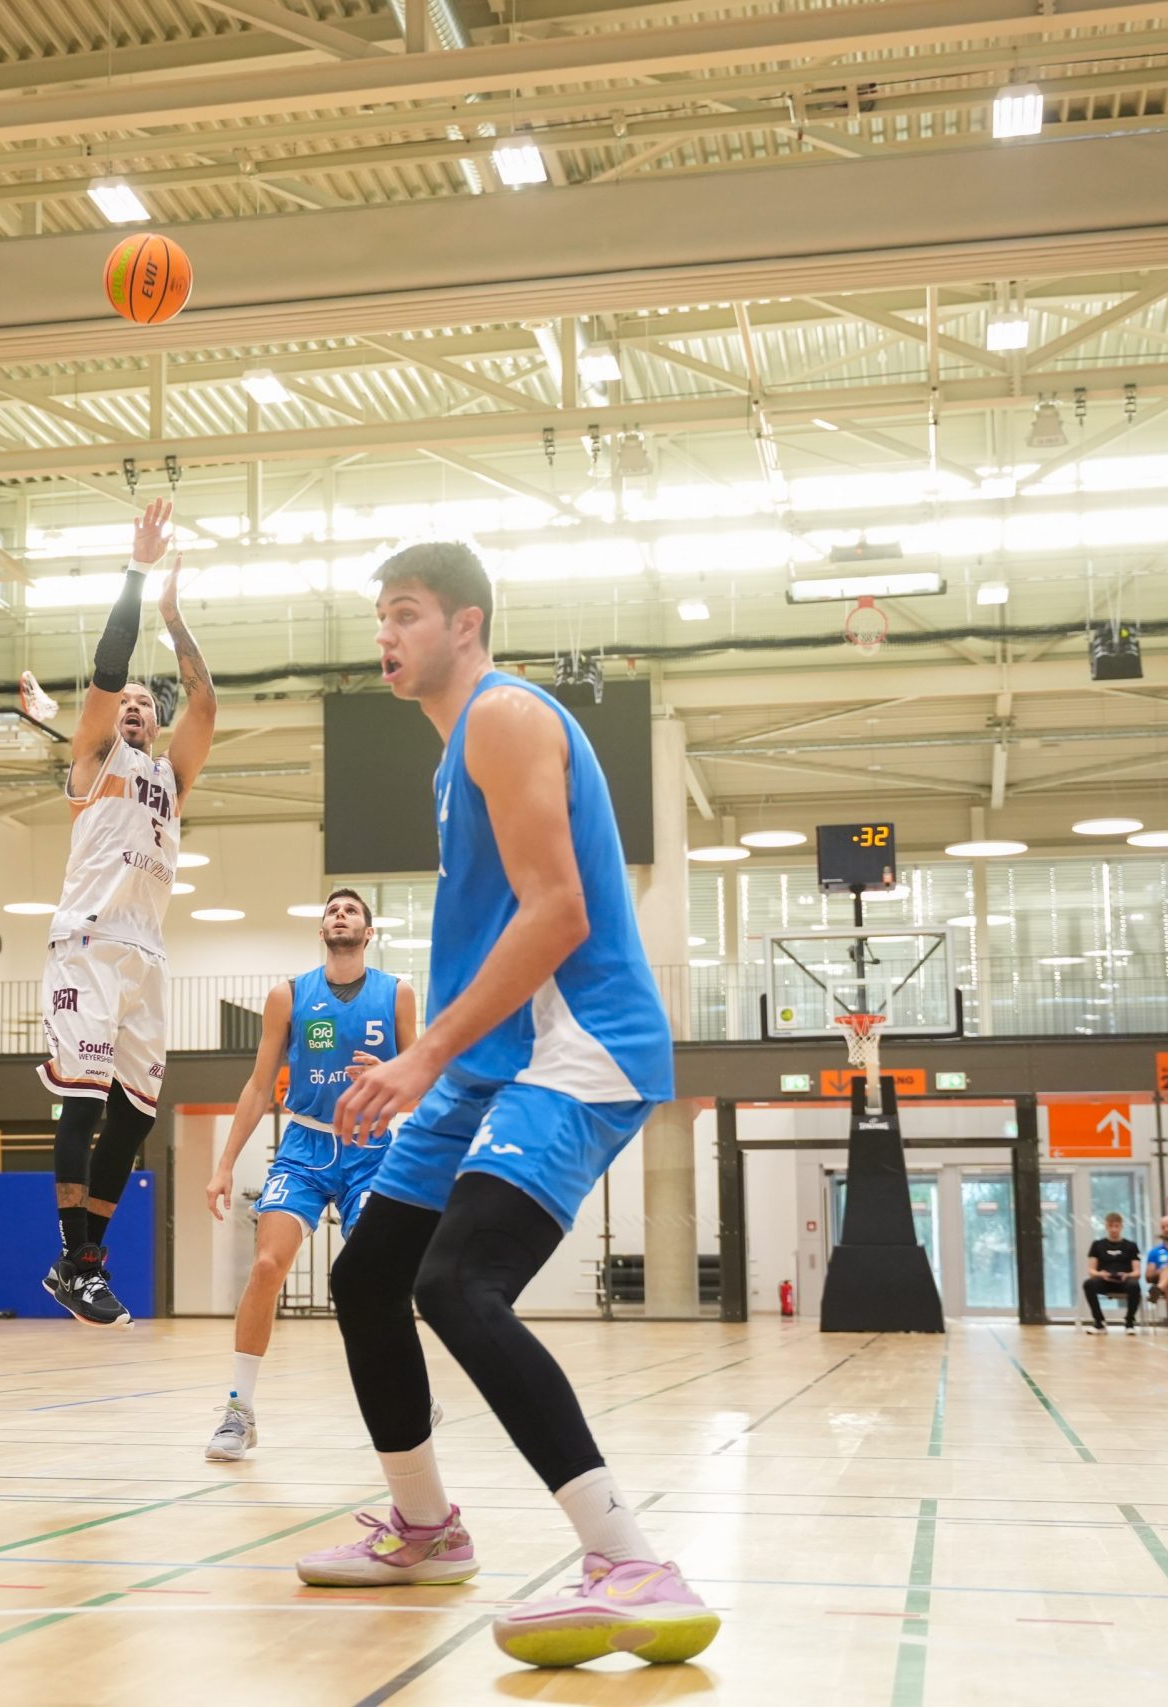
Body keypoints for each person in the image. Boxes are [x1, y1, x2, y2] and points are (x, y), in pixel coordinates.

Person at [292, 542, 716, 1672]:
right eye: (378, 616)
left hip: (575, 1046)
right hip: (493, 1055)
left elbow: (561, 913)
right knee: (367, 1277)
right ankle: (425, 1530)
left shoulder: (505, 716)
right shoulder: (452, 757)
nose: (385, 634)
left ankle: (629, 1563)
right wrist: (444, 1055)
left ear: (464, 625)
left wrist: (422, 1052)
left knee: (457, 1284)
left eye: (406, 613)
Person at [35, 497, 216, 1327]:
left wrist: (177, 620)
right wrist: (140, 576)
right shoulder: (92, 760)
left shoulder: (170, 780)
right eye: (127, 700)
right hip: (89, 942)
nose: (135, 704)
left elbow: (205, 705)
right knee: (82, 1101)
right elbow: (110, 663)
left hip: (148, 954)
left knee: (136, 1120)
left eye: (148, 701)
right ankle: (74, 1260)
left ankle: (87, 1264)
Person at [203, 889, 416, 1460]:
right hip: (303, 1145)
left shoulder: (397, 993)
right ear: (322, 928)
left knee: (375, 1277)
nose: (339, 915)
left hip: (371, 1148)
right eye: (332, 910)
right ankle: (238, 1412)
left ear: (368, 933)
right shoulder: (289, 994)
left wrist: (392, 1074)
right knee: (267, 1265)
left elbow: (421, 1084)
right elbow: (256, 1086)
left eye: (350, 911)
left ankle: (406, 1392)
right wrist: (224, 1166)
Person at [1082, 1211, 1143, 1332]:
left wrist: (1127, 1275)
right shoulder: (1097, 1245)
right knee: (1088, 1284)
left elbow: (1137, 1272)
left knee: (1134, 1285)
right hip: (1105, 1281)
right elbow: (1091, 1270)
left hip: (1124, 1281)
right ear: (1106, 1226)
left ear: (1121, 1227)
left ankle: (1129, 1322)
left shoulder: (1131, 1246)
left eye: (1116, 1226)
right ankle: (1099, 1322)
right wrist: (1101, 1274)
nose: (1114, 1229)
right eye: (1111, 1226)